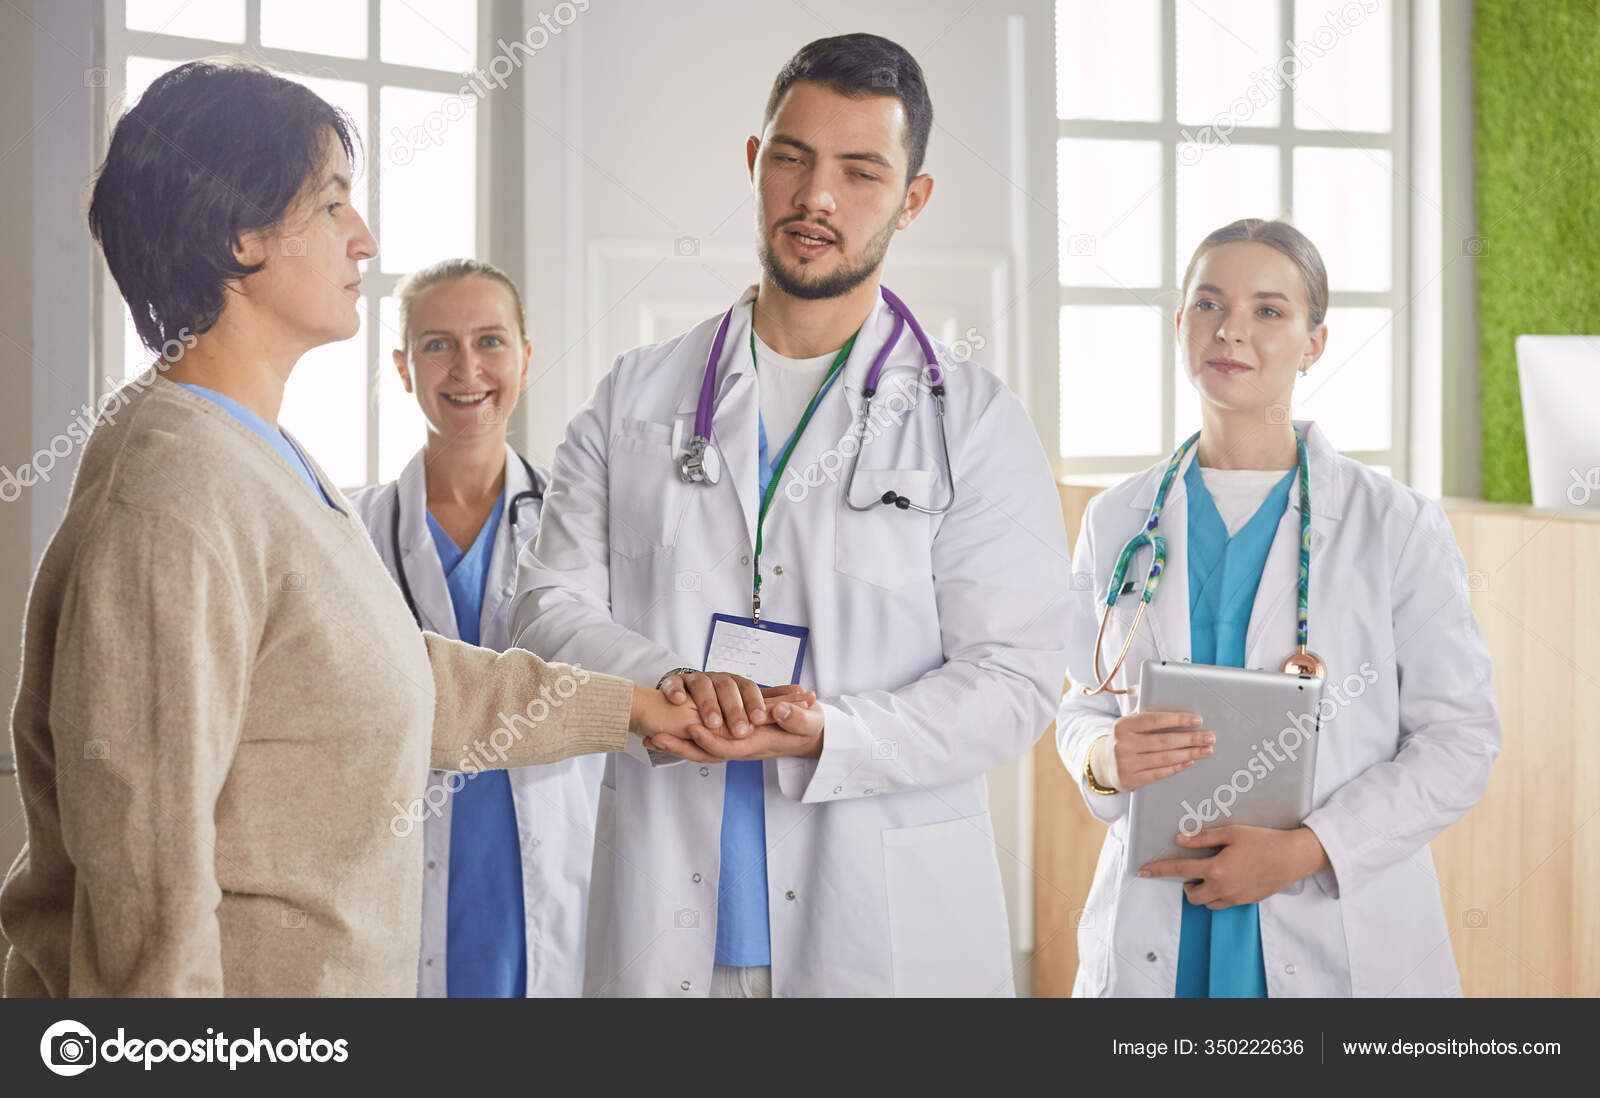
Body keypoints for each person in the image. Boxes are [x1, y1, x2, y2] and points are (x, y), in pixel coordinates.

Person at [0, 60, 748, 998]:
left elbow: (402, 675)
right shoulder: (174, 497)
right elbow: (146, 882)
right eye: (331, 205)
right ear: (240, 236)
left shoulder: (262, 457)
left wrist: (642, 707)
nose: (364, 240)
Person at [511, 33, 1071, 998]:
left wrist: (828, 733)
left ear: (912, 198)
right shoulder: (635, 396)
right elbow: (545, 609)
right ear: (754, 163)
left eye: (861, 172)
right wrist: (671, 682)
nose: (818, 197)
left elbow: (1017, 680)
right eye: (792, 157)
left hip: (877, 923)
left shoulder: (971, 421)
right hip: (667, 913)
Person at [1054, 218, 1501, 998]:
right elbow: (1081, 700)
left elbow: (1460, 741)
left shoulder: (1391, 524)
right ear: (1181, 324)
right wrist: (1097, 759)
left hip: (1328, 918)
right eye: (1207, 304)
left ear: (1314, 342)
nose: (1230, 330)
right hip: (1160, 915)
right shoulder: (1118, 517)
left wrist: (1308, 850)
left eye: (1268, 310)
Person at [350, 259, 603, 997]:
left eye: (490, 341)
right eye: (437, 345)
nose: (467, 369)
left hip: (546, 869)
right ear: (402, 367)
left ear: (525, 356)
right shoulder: (349, 533)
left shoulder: (584, 530)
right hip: (400, 869)